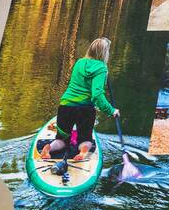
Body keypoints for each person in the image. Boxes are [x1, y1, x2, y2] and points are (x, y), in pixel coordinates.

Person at [46, 37, 118, 181]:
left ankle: (49, 148)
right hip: (84, 109)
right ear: (104, 53)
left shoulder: (79, 62)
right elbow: (97, 94)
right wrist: (111, 110)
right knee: (85, 139)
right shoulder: (101, 68)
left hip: (65, 106)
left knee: (61, 140)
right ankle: (83, 151)